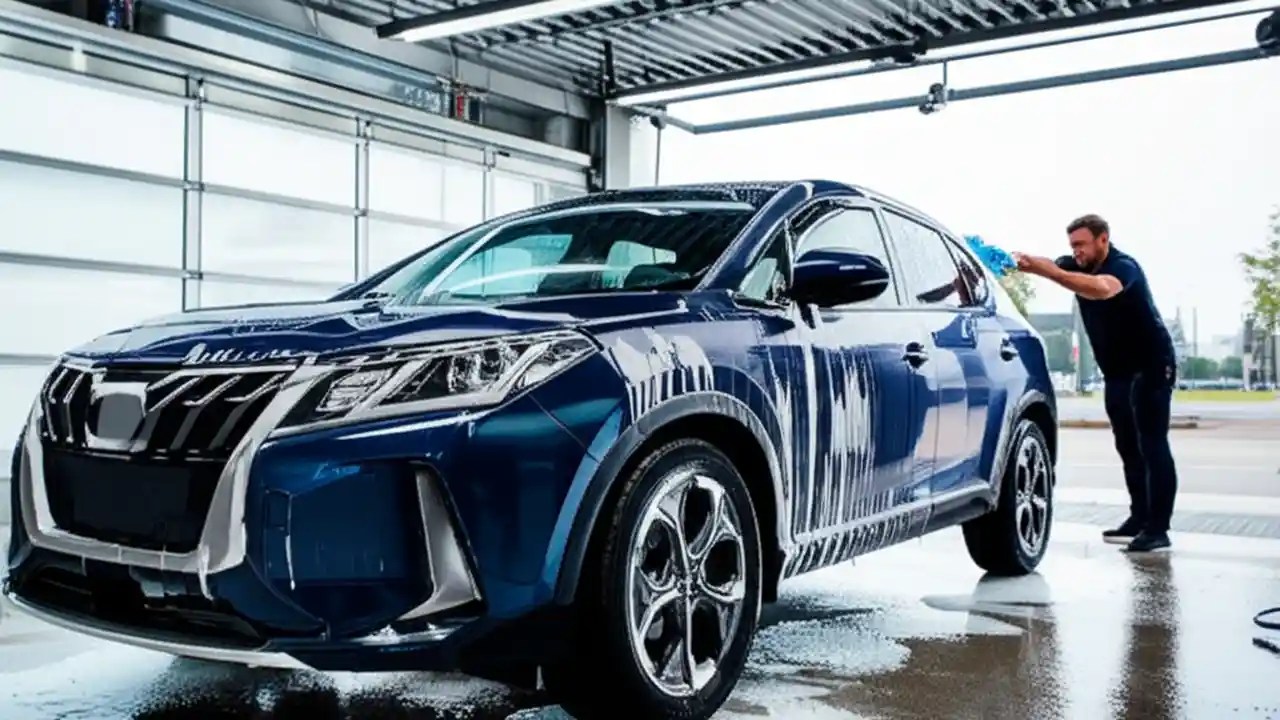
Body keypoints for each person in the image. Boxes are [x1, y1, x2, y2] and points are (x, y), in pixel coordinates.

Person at [1012, 214, 1178, 553]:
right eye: (1072, 245)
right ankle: (1139, 518)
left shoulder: (1123, 267)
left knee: (1152, 444)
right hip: (1117, 373)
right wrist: (1016, 263)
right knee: (1127, 446)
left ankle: (1158, 529)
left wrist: (1054, 273)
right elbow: (1047, 264)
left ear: (1103, 239)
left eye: (1081, 244)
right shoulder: (1075, 266)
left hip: (1151, 365)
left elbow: (1103, 290)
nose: (1076, 252)